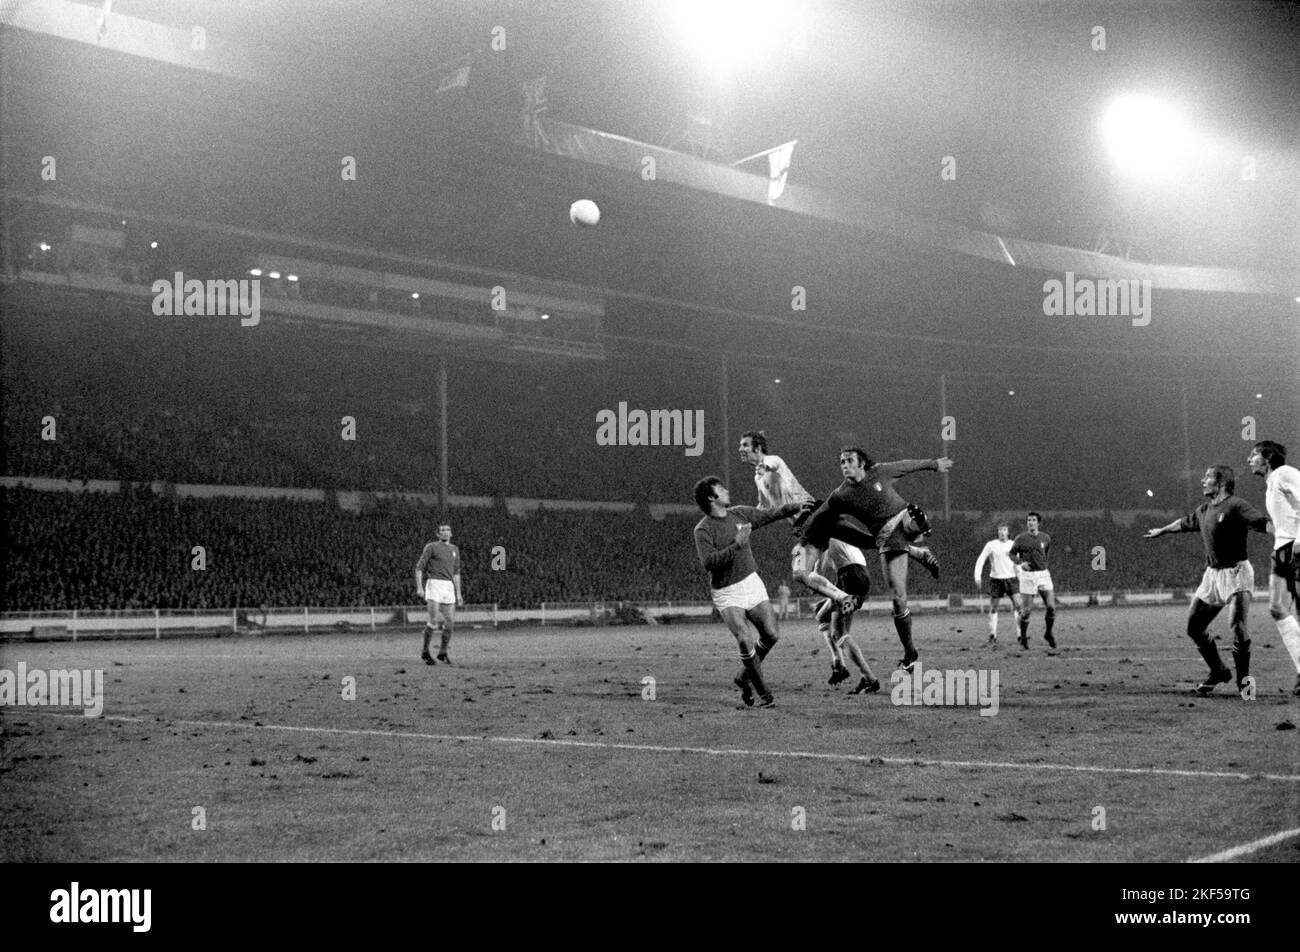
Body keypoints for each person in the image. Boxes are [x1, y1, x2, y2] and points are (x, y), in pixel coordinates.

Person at [795, 448, 952, 671]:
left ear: (862, 463)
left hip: (902, 517)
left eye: (849, 461)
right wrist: (805, 530)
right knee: (898, 599)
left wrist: (934, 463)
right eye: (841, 461)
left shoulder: (879, 472)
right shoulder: (841, 495)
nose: (844, 465)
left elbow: (906, 464)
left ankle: (918, 528)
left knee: (913, 516)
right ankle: (910, 652)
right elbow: (821, 515)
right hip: (888, 539)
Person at [1145, 465, 1271, 696]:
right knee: (1194, 627)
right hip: (1212, 576)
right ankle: (1219, 671)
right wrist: (1162, 530)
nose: (1203, 480)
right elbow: (1183, 523)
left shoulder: (1236, 505)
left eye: (1208, 477)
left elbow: (1262, 523)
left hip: (1236, 573)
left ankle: (1246, 687)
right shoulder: (1203, 510)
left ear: (1221, 483)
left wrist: (1288, 536)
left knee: (1238, 628)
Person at [693, 476, 808, 708]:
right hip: (727, 591)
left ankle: (744, 676)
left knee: (771, 635)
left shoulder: (740, 514)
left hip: (751, 583)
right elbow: (709, 562)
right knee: (745, 639)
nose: (726, 490)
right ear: (711, 498)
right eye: (721, 489)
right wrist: (736, 544)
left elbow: (770, 514)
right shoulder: (702, 529)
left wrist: (796, 507)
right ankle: (764, 694)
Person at [1247, 440, 1300, 696]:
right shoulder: (1271, 484)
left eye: (1254, 454)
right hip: (1281, 550)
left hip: (1295, 547)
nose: (1249, 459)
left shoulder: (1285, 473)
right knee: (1277, 608)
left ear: (1267, 457)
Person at [813, 539, 881, 694]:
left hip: (849, 576)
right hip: (860, 575)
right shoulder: (840, 532)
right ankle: (840, 665)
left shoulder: (822, 532)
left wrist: (812, 581)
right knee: (822, 613)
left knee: (839, 633)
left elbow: (819, 568)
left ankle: (870, 679)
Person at [415, 522, 463, 664]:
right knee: (434, 621)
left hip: (448, 587)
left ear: (451, 533)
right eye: (442, 530)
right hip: (434, 584)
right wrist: (420, 587)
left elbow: (456, 573)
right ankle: (425, 651)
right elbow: (419, 568)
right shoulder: (431, 547)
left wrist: (458, 593)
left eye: (448, 529)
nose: (445, 532)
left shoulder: (455, 549)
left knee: (450, 623)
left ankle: (442, 652)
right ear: (438, 534)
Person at [1010, 513, 1056, 649]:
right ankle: (1023, 637)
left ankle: (1048, 633)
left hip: (1043, 575)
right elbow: (1011, 554)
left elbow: (1045, 554)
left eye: (1033, 520)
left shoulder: (1045, 538)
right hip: (1028, 576)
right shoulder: (1020, 539)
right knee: (1026, 612)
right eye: (1029, 520)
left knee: (1051, 607)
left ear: (1038, 523)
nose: (1031, 522)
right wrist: (1020, 563)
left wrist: (1042, 565)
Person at [973, 524, 1018, 646]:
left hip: (1011, 579)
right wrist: (977, 576)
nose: (1002, 532)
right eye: (1000, 530)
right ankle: (993, 635)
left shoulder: (1014, 544)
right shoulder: (991, 545)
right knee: (993, 608)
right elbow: (981, 560)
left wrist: (1023, 576)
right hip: (996, 579)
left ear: (1008, 532)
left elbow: (1018, 562)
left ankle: (1021, 636)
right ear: (997, 532)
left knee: (1018, 606)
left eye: (1004, 530)